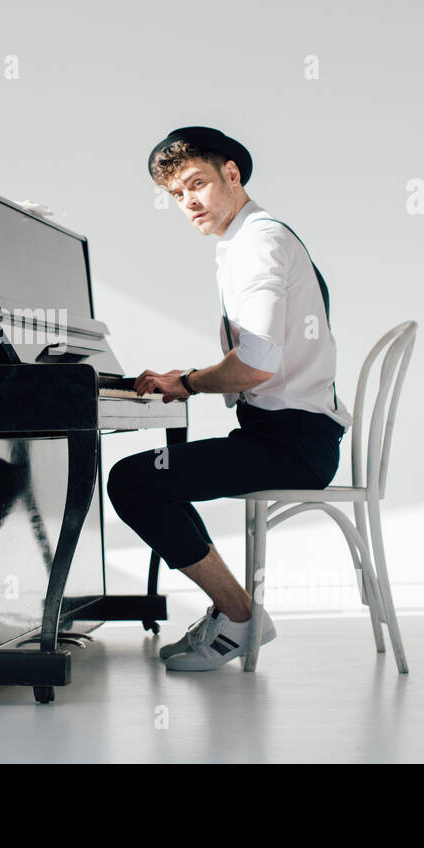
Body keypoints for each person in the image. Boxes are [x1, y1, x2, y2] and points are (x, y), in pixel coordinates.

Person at [106, 126, 351, 672]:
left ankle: (238, 615)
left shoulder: (257, 245)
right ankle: (235, 612)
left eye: (197, 183)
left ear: (232, 174)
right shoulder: (249, 240)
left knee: (133, 481)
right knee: (153, 476)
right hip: (287, 435)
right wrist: (185, 378)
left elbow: (256, 366)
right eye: (176, 194)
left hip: (293, 444)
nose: (188, 201)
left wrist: (187, 382)